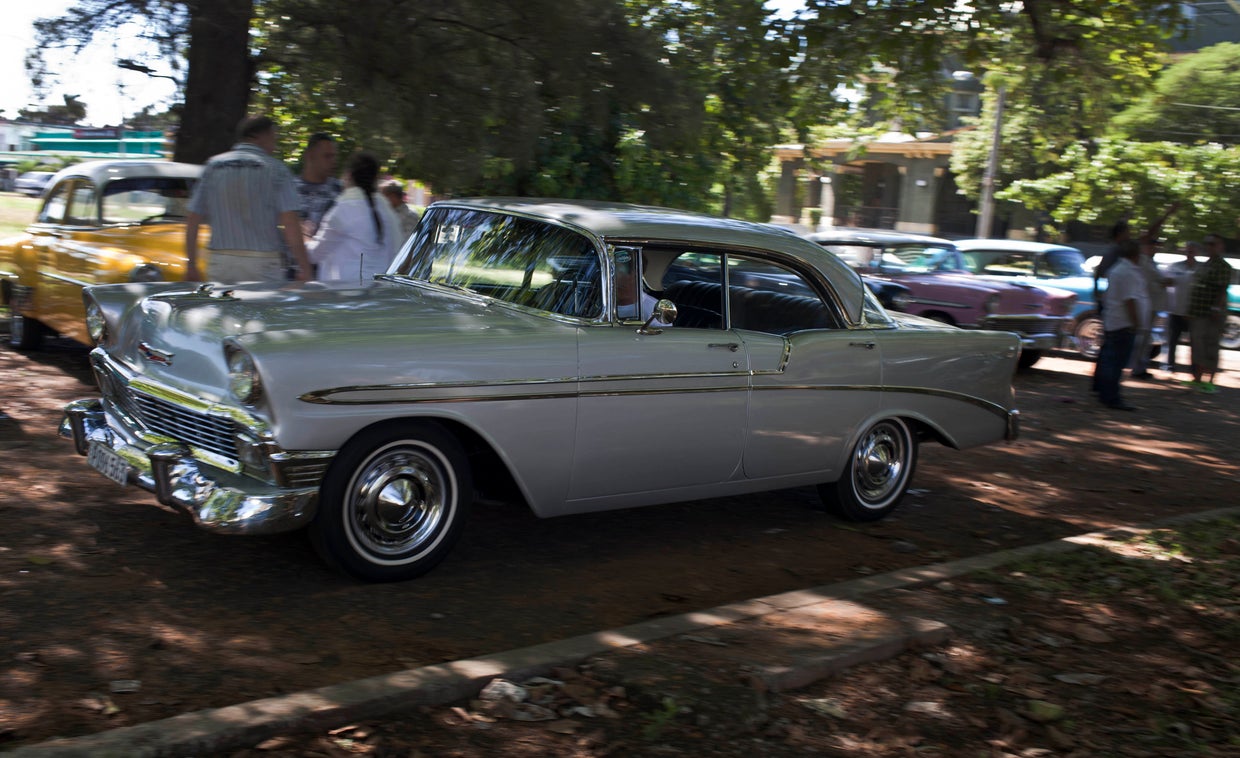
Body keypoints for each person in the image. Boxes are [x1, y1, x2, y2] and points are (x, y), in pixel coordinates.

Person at [184, 115, 310, 284]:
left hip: (221, 260)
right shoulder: (277, 170)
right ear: (260, 136)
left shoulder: (213, 166)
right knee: (263, 310)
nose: (275, 144)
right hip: (262, 261)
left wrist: (191, 264)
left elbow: (193, 218)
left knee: (224, 309)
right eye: (273, 137)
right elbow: (290, 222)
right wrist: (304, 265)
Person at [307, 152, 399, 284]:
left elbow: (315, 254)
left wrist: (305, 238)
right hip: (379, 293)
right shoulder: (388, 212)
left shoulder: (344, 210)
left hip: (347, 295)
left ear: (349, 176)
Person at [1093, 240, 1146, 411]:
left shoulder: (1117, 270)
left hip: (1114, 320)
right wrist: (1136, 322)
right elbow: (1130, 300)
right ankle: (1112, 397)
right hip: (1123, 322)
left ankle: (1106, 394)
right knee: (1116, 363)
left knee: (1110, 360)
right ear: (1136, 255)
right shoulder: (1127, 272)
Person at [1184, 233, 1232, 393]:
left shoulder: (1223, 266)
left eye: (1213, 244)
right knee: (1197, 345)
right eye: (1208, 244)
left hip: (1211, 314)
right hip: (1198, 312)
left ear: (1220, 246)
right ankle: (1197, 379)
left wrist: (1216, 308)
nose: (1209, 247)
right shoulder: (1205, 264)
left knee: (1211, 345)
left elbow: (1222, 290)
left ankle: (1210, 381)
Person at [1129, 234, 1170, 379]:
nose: (1154, 248)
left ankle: (1140, 366)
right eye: (1152, 245)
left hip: (1152, 305)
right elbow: (1147, 284)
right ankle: (1137, 368)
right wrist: (1163, 283)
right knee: (1142, 338)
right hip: (1146, 304)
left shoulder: (1150, 262)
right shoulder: (1144, 262)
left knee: (1146, 338)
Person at [1161, 242, 1199, 372]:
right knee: (1172, 341)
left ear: (1197, 252)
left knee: (1195, 342)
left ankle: (1194, 367)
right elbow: (1166, 282)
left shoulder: (1201, 269)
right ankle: (1170, 365)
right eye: (1188, 251)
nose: (1190, 253)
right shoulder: (1175, 267)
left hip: (1194, 312)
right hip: (1175, 310)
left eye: (1192, 251)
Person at [296, 133, 342, 238]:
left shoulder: (340, 191)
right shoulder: (289, 189)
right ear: (310, 155)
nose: (333, 162)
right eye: (327, 156)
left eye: (334, 156)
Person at [380, 180, 421, 244]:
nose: (382, 201)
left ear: (392, 196)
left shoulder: (410, 215)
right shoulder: (385, 212)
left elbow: (407, 241)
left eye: (384, 197)